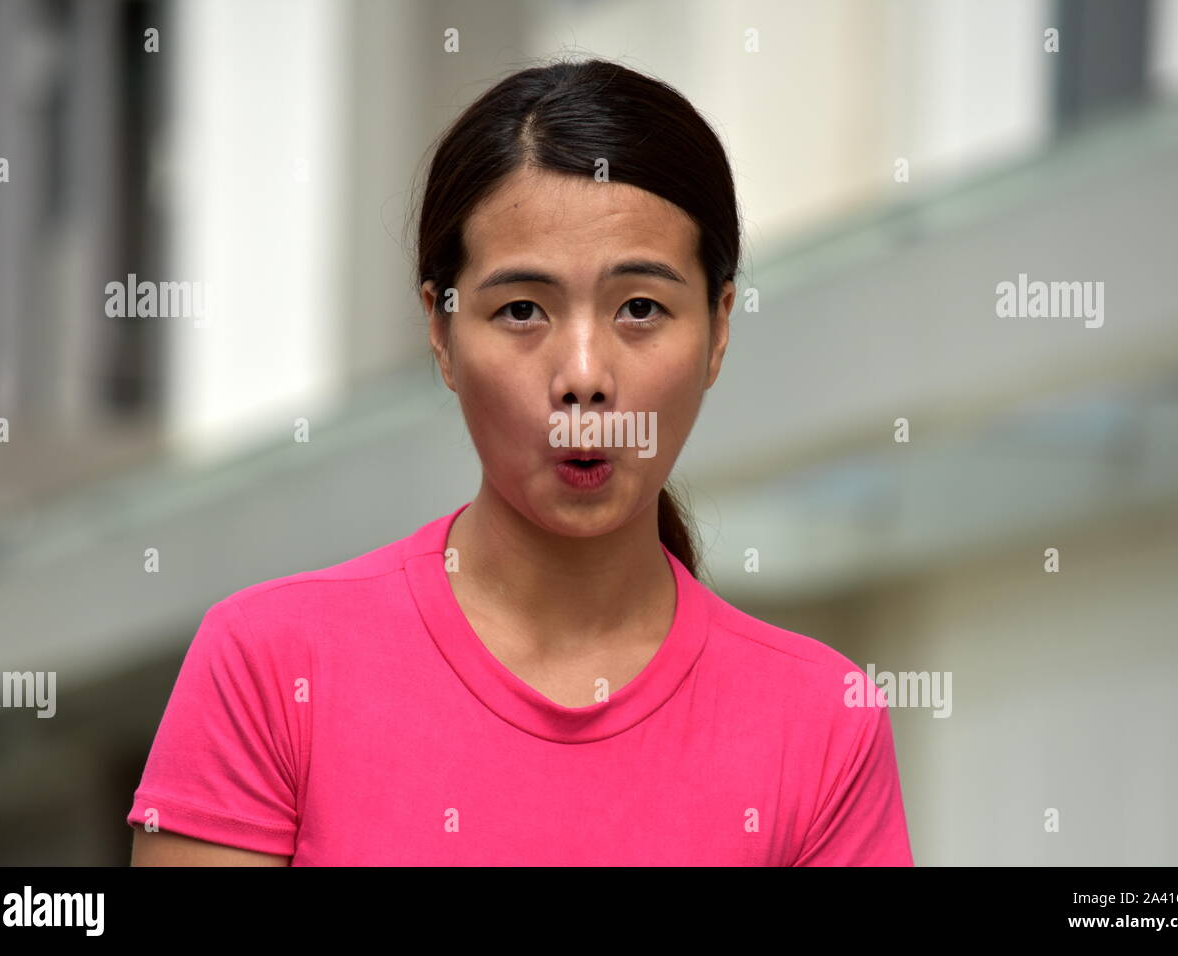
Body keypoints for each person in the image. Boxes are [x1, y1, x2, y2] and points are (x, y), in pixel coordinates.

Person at [127, 57, 914, 866]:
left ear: (718, 328)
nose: (583, 376)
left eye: (641, 308)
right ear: (441, 330)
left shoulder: (822, 722)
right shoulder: (272, 665)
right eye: (523, 310)